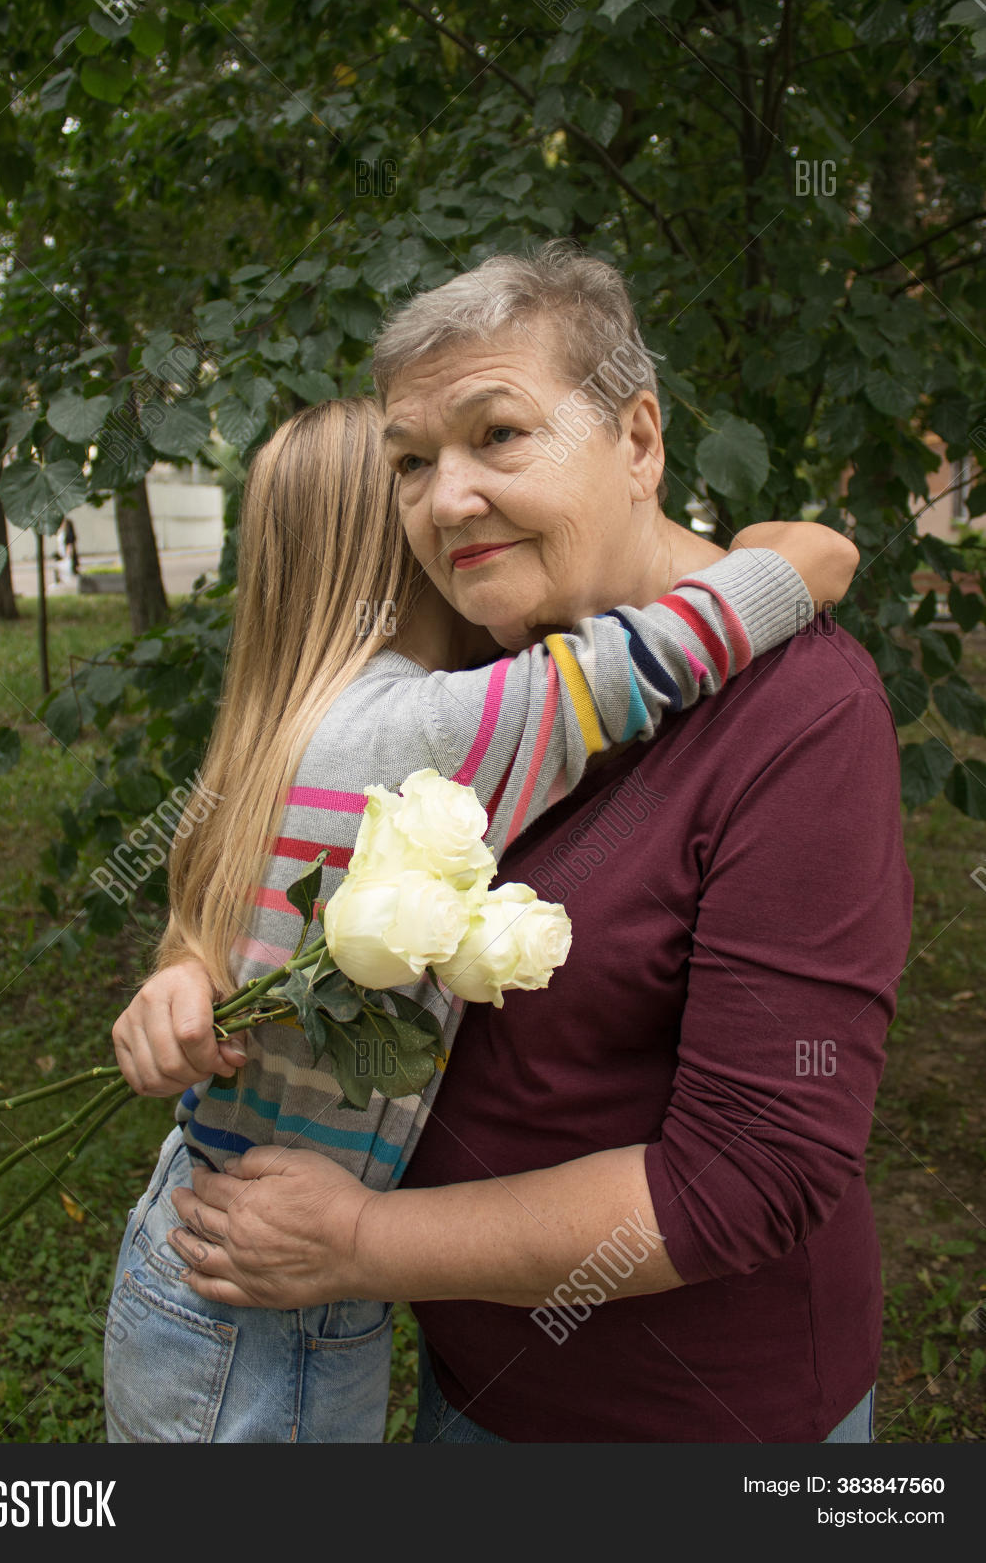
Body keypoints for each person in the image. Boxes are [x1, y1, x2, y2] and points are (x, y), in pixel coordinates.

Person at [105, 384, 856, 1443]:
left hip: (195, 1244)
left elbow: (213, 918)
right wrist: (802, 554)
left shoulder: (283, 728)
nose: (459, 507)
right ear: (406, 550)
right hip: (262, 1298)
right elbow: (645, 660)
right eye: (419, 481)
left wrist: (183, 965)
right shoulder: (428, 723)